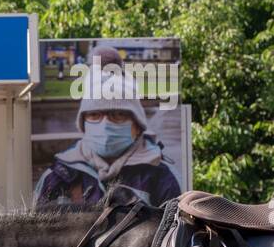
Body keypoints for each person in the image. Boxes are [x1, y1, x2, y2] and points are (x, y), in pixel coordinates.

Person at [33, 47, 182, 208]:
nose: (105, 124)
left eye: (118, 115)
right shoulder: (56, 177)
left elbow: (175, 231)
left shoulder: (162, 177)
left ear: (137, 126)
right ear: (83, 124)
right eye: (94, 115)